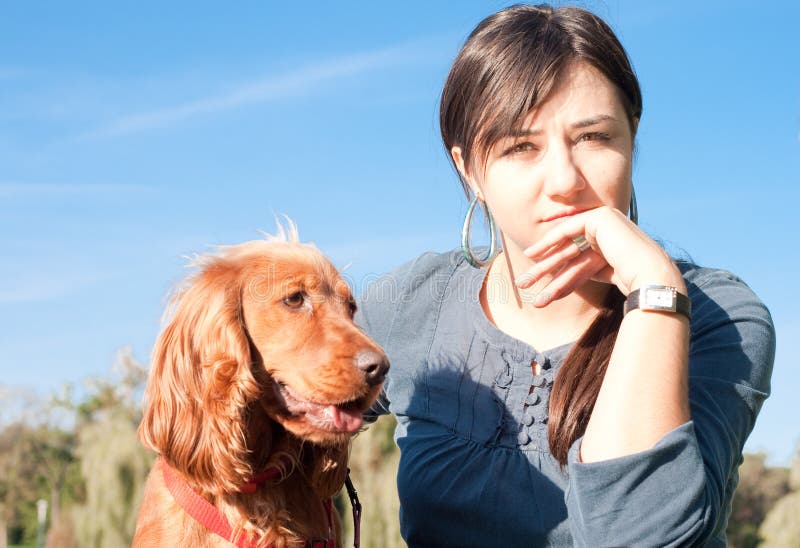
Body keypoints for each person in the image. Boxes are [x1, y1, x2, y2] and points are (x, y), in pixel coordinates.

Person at [355, 4, 775, 547]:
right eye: (521, 146)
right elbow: (260, 426)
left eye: (594, 137)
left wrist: (656, 293)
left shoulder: (722, 318)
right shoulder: (411, 302)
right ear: (469, 170)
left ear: (632, 137)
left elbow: (639, 537)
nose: (564, 180)